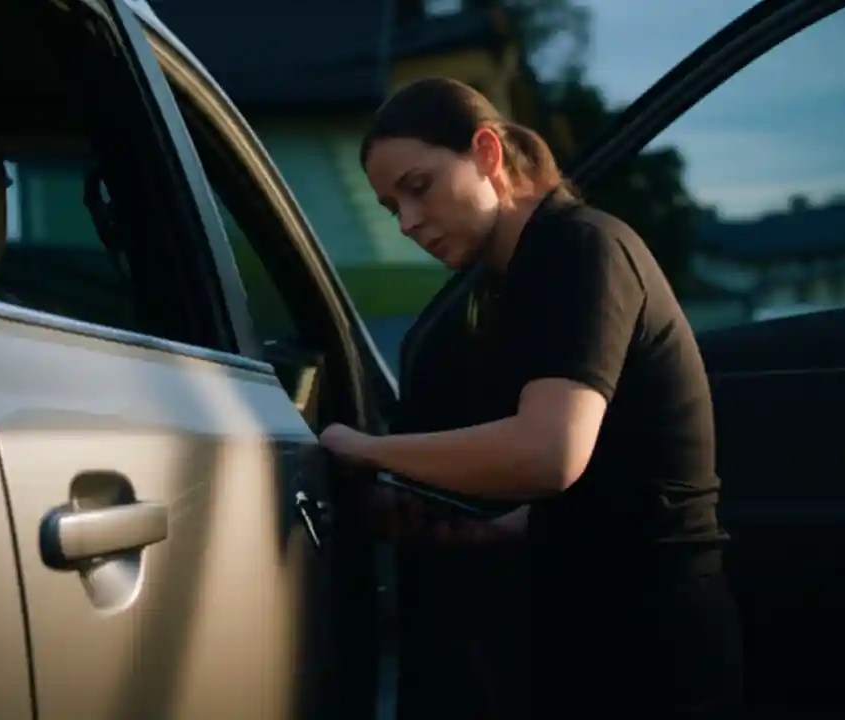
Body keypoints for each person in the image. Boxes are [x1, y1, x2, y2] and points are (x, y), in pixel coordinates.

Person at [319, 77, 744, 717]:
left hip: (648, 641)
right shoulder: (514, 277)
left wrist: (369, 449)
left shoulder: (579, 246)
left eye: (418, 186)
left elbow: (552, 453)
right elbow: (611, 477)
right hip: (592, 625)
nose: (406, 222)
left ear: (488, 153)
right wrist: (481, 530)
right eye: (389, 208)